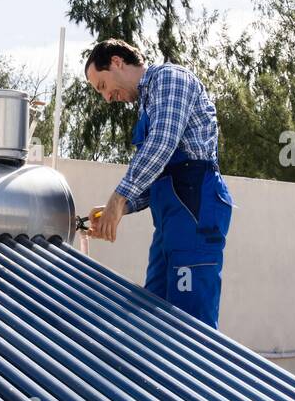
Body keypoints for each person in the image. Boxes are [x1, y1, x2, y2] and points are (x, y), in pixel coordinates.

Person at [84, 38, 234, 329]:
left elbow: (163, 144)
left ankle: (196, 376)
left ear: (116, 62)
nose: (106, 98)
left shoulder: (169, 78)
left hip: (195, 214)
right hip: (169, 226)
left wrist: (119, 197)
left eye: (102, 86)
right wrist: (120, 207)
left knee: (191, 325)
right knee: (153, 318)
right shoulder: (147, 106)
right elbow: (156, 181)